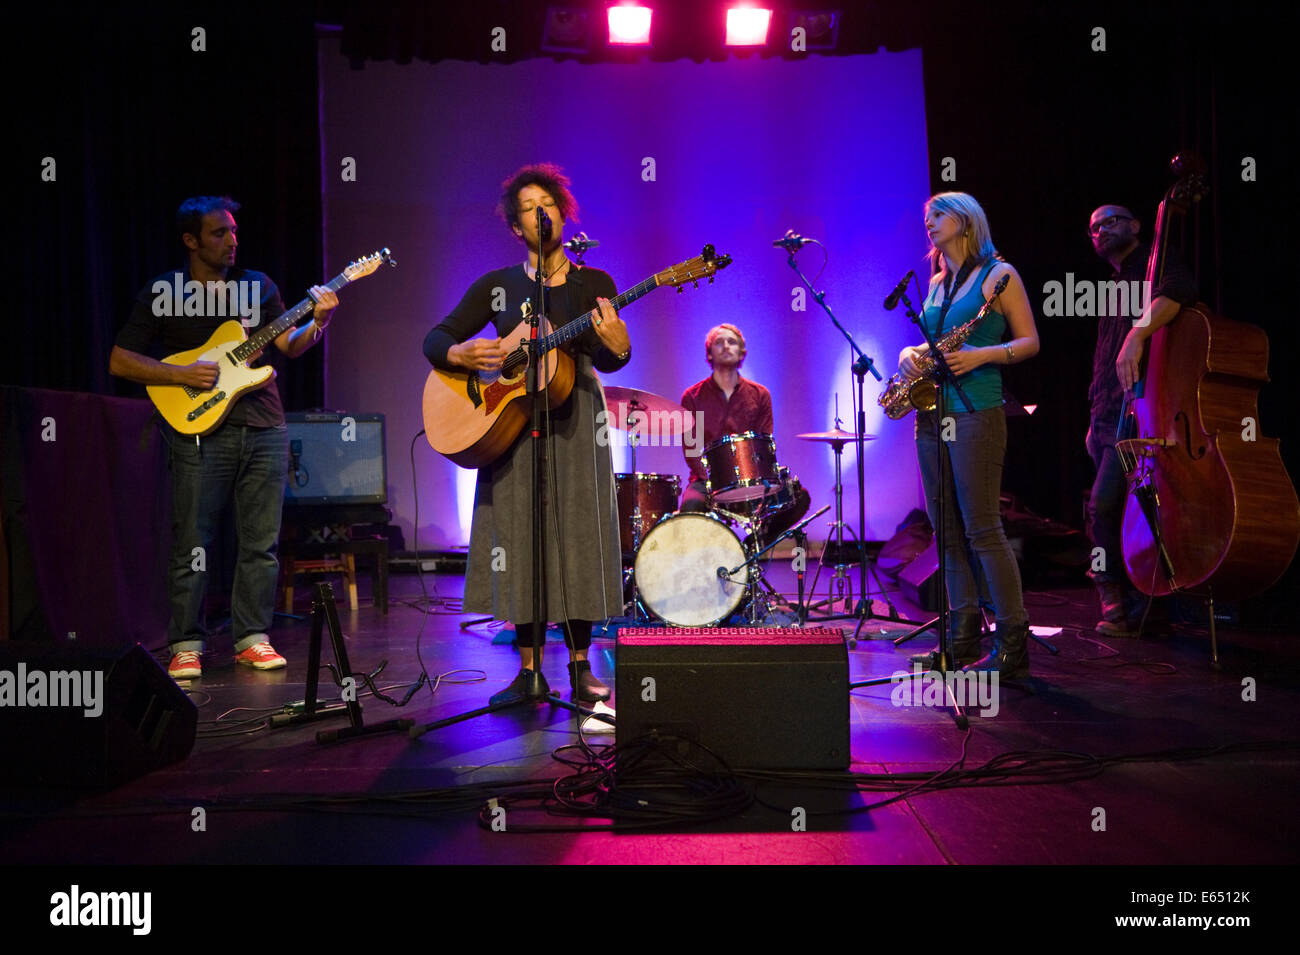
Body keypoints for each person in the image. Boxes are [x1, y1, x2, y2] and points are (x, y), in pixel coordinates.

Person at [422, 164, 630, 704]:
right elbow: (436, 337)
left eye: (550, 203)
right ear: (517, 227)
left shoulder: (594, 283)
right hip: (511, 423)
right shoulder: (497, 286)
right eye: (530, 208)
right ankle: (529, 669)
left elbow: (610, 362)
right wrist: (459, 352)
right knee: (521, 539)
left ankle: (582, 666)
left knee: (580, 537)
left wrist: (619, 343)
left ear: (563, 213)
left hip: (578, 416)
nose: (543, 212)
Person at [110, 195, 338, 680]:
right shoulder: (163, 292)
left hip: (264, 426)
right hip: (197, 430)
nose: (232, 241)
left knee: (261, 542)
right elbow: (121, 359)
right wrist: (182, 376)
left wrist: (319, 322)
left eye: (234, 231)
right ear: (190, 240)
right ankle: (187, 643)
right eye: (219, 233)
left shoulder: (259, 287)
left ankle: (252, 637)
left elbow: (287, 347)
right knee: (193, 539)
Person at [900, 192, 1039, 678]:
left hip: (977, 408)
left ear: (965, 221)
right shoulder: (937, 282)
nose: (929, 224)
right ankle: (959, 640)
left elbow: (1029, 342)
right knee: (946, 532)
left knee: (982, 528)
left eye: (938, 215)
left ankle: (1012, 647)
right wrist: (911, 353)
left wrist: (983, 355)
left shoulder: (999, 275)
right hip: (932, 414)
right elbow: (936, 343)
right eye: (926, 218)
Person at [1085, 204, 1196, 635]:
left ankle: (1118, 596)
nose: (1101, 229)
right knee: (1120, 511)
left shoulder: (1156, 263)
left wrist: (1138, 333)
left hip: (1144, 412)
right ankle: (1143, 599)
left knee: (1107, 505)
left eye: (1111, 220)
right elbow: (1102, 359)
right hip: (1109, 415)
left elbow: (1180, 291)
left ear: (1135, 225)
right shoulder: (1112, 286)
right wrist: (1093, 419)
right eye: (1094, 227)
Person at [679, 323, 810, 541]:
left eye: (732, 342)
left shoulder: (760, 395)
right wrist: (712, 483)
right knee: (690, 507)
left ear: (742, 352)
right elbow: (691, 450)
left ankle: (756, 543)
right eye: (719, 342)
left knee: (799, 497)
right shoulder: (692, 397)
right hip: (707, 481)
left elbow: (763, 444)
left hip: (753, 478)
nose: (726, 346)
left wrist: (754, 479)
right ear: (709, 353)